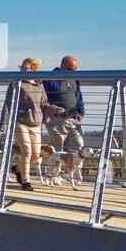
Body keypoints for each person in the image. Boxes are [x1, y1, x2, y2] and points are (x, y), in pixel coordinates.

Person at [0, 57, 60, 191]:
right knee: (26, 152)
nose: (22, 69)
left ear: (33, 70)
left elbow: (43, 104)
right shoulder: (16, 84)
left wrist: (55, 109)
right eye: (21, 67)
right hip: (20, 122)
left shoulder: (39, 85)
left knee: (35, 154)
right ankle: (26, 181)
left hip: (36, 123)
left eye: (25, 68)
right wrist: (3, 123)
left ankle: (17, 168)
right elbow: (8, 104)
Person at [42, 55, 85, 184]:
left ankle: (68, 173)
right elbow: (43, 98)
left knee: (78, 145)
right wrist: (46, 115)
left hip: (72, 118)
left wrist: (81, 111)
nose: (73, 72)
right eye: (71, 69)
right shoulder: (50, 78)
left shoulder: (74, 79)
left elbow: (78, 95)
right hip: (56, 118)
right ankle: (53, 176)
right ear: (62, 66)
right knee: (58, 149)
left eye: (75, 69)